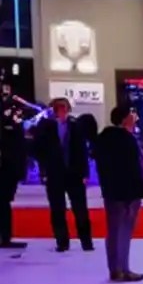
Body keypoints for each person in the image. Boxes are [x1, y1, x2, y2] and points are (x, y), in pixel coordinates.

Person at [33, 97, 94, 252]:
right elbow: (39, 151)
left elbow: (82, 151)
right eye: (58, 107)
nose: (61, 110)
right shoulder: (45, 127)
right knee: (57, 209)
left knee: (80, 209)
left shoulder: (76, 126)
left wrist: (85, 173)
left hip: (75, 174)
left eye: (64, 107)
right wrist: (43, 171)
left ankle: (86, 242)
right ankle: (62, 242)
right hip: (54, 174)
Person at [96, 106, 143, 282]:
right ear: (125, 119)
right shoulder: (125, 139)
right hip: (127, 193)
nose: (135, 116)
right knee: (123, 231)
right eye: (132, 113)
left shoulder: (104, 138)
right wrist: (138, 189)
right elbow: (131, 168)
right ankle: (122, 269)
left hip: (112, 191)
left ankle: (115, 268)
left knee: (114, 231)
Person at [0, 78, 29, 249]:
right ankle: (5, 237)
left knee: (4, 201)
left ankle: (5, 236)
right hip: (7, 164)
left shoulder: (13, 111)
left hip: (8, 165)